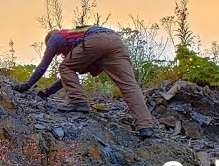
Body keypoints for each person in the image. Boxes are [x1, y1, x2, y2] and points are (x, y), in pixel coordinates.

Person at [14, 26, 157, 138]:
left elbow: (44, 65)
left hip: (97, 39)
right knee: (129, 86)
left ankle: (78, 102)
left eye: (55, 51)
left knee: (64, 66)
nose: (58, 53)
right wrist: (48, 92)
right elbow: (68, 76)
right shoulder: (76, 36)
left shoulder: (56, 37)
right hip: (116, 42)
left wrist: (27, 85)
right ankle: (145, 126)